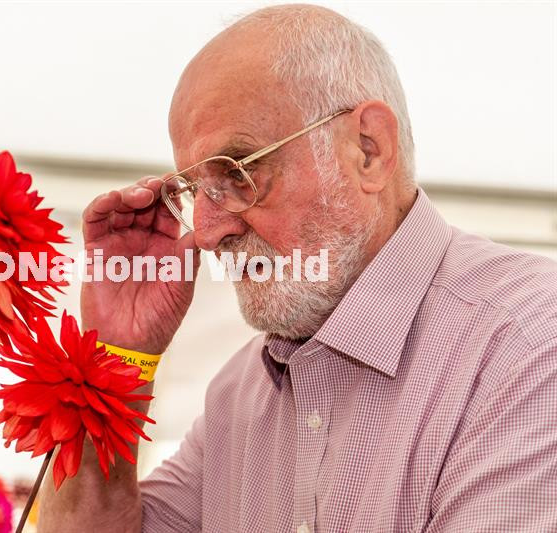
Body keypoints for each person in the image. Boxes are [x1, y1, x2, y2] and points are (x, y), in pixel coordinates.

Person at [38, 4, 557, 532]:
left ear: (369, 152)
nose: (209, 229)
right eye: (196, 190)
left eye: (239, 172)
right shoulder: (237, 395)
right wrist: (114, 360)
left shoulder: (529, 344)